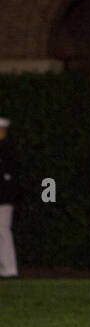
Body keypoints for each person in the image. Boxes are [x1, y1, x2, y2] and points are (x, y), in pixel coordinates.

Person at [0, 118, 16, 277]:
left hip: (4, 198)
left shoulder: (8, 150)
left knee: (3, 231)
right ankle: (4, 267)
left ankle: (9, 268)